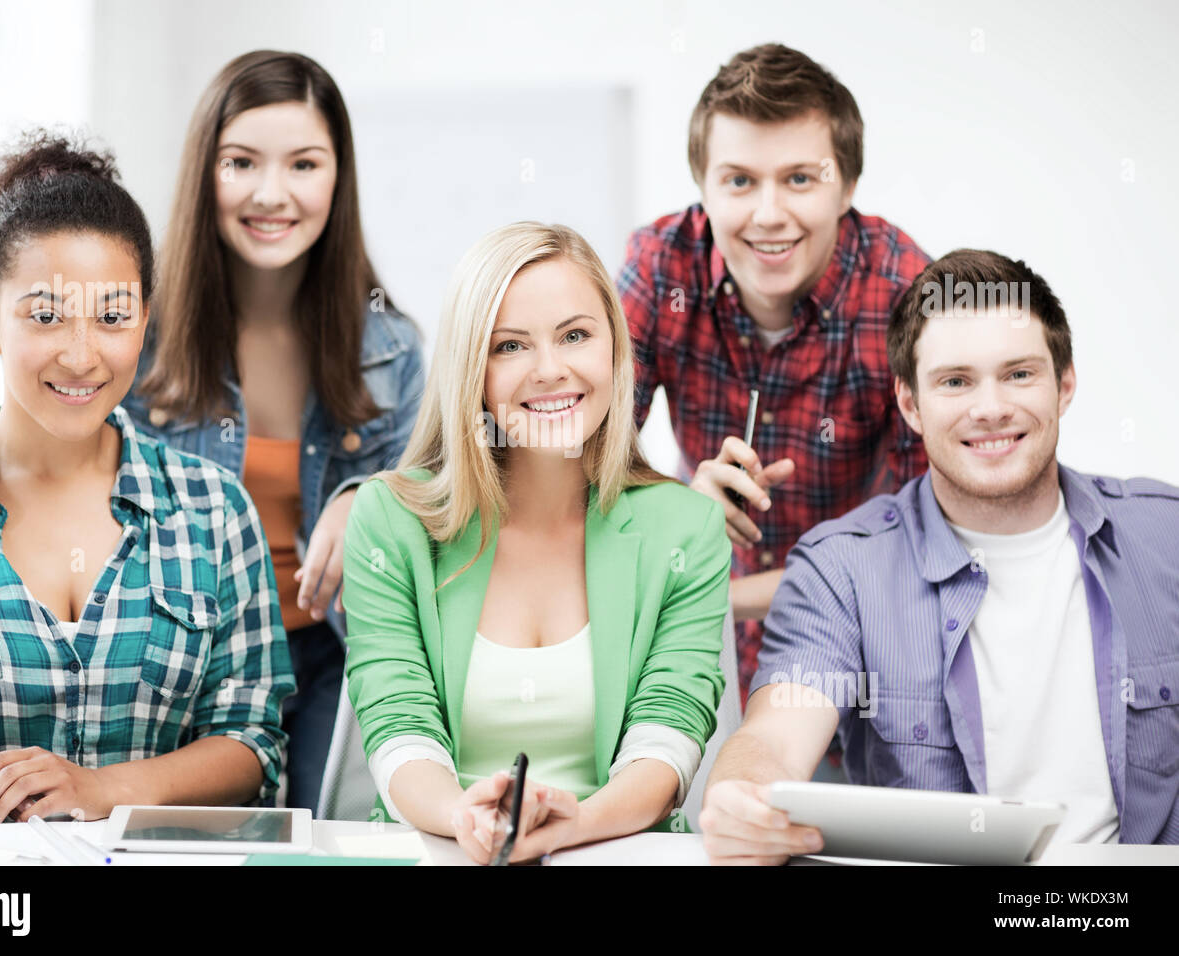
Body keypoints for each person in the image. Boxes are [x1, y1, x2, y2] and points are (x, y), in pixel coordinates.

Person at [700, 249, 1179, 863]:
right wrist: (744, 798)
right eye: (955, 381)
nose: (990, 408)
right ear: (910, 404)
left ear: (1064, 386)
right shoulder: (841, 571)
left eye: (1019, 374)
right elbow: (774, 737)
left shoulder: (1165, 534)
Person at [0, 132, 294, 824]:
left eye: (111, 316)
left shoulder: (214, 510)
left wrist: (108, 789)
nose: (81, 355)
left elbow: (253, 741)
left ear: (144, 321)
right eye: (45, 315)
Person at [341, 222, 730, 864]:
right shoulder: (390, 518)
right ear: (472, 369)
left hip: (614, 850)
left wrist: (567, 828)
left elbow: (668, 739)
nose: (551, 370)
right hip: (438, 849)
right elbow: (396, 719)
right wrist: (460, 817)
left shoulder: (686, 528)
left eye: (576, 335)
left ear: (614, 349)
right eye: (511, 346)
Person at [119, 51, 425, 811]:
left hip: (335, 654)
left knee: (338, 843)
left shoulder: (391, 348)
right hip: (188, 668)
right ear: (205, 173)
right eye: (241, 162)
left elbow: (435, 510)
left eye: (304, 164)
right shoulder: (136, 340)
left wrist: (372, 497)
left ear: (337, 177)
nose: (271, 193)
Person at [617, 43, 931, 697]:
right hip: (694, 651)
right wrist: (671, 513)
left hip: (859, 636)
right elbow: (577, 465)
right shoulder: (659, 268)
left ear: (845, 187)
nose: (767, 214)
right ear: (702, 187)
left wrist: (710, 592)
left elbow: (920, 541)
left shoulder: (905, 289)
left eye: (799, 179)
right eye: (739, 181)